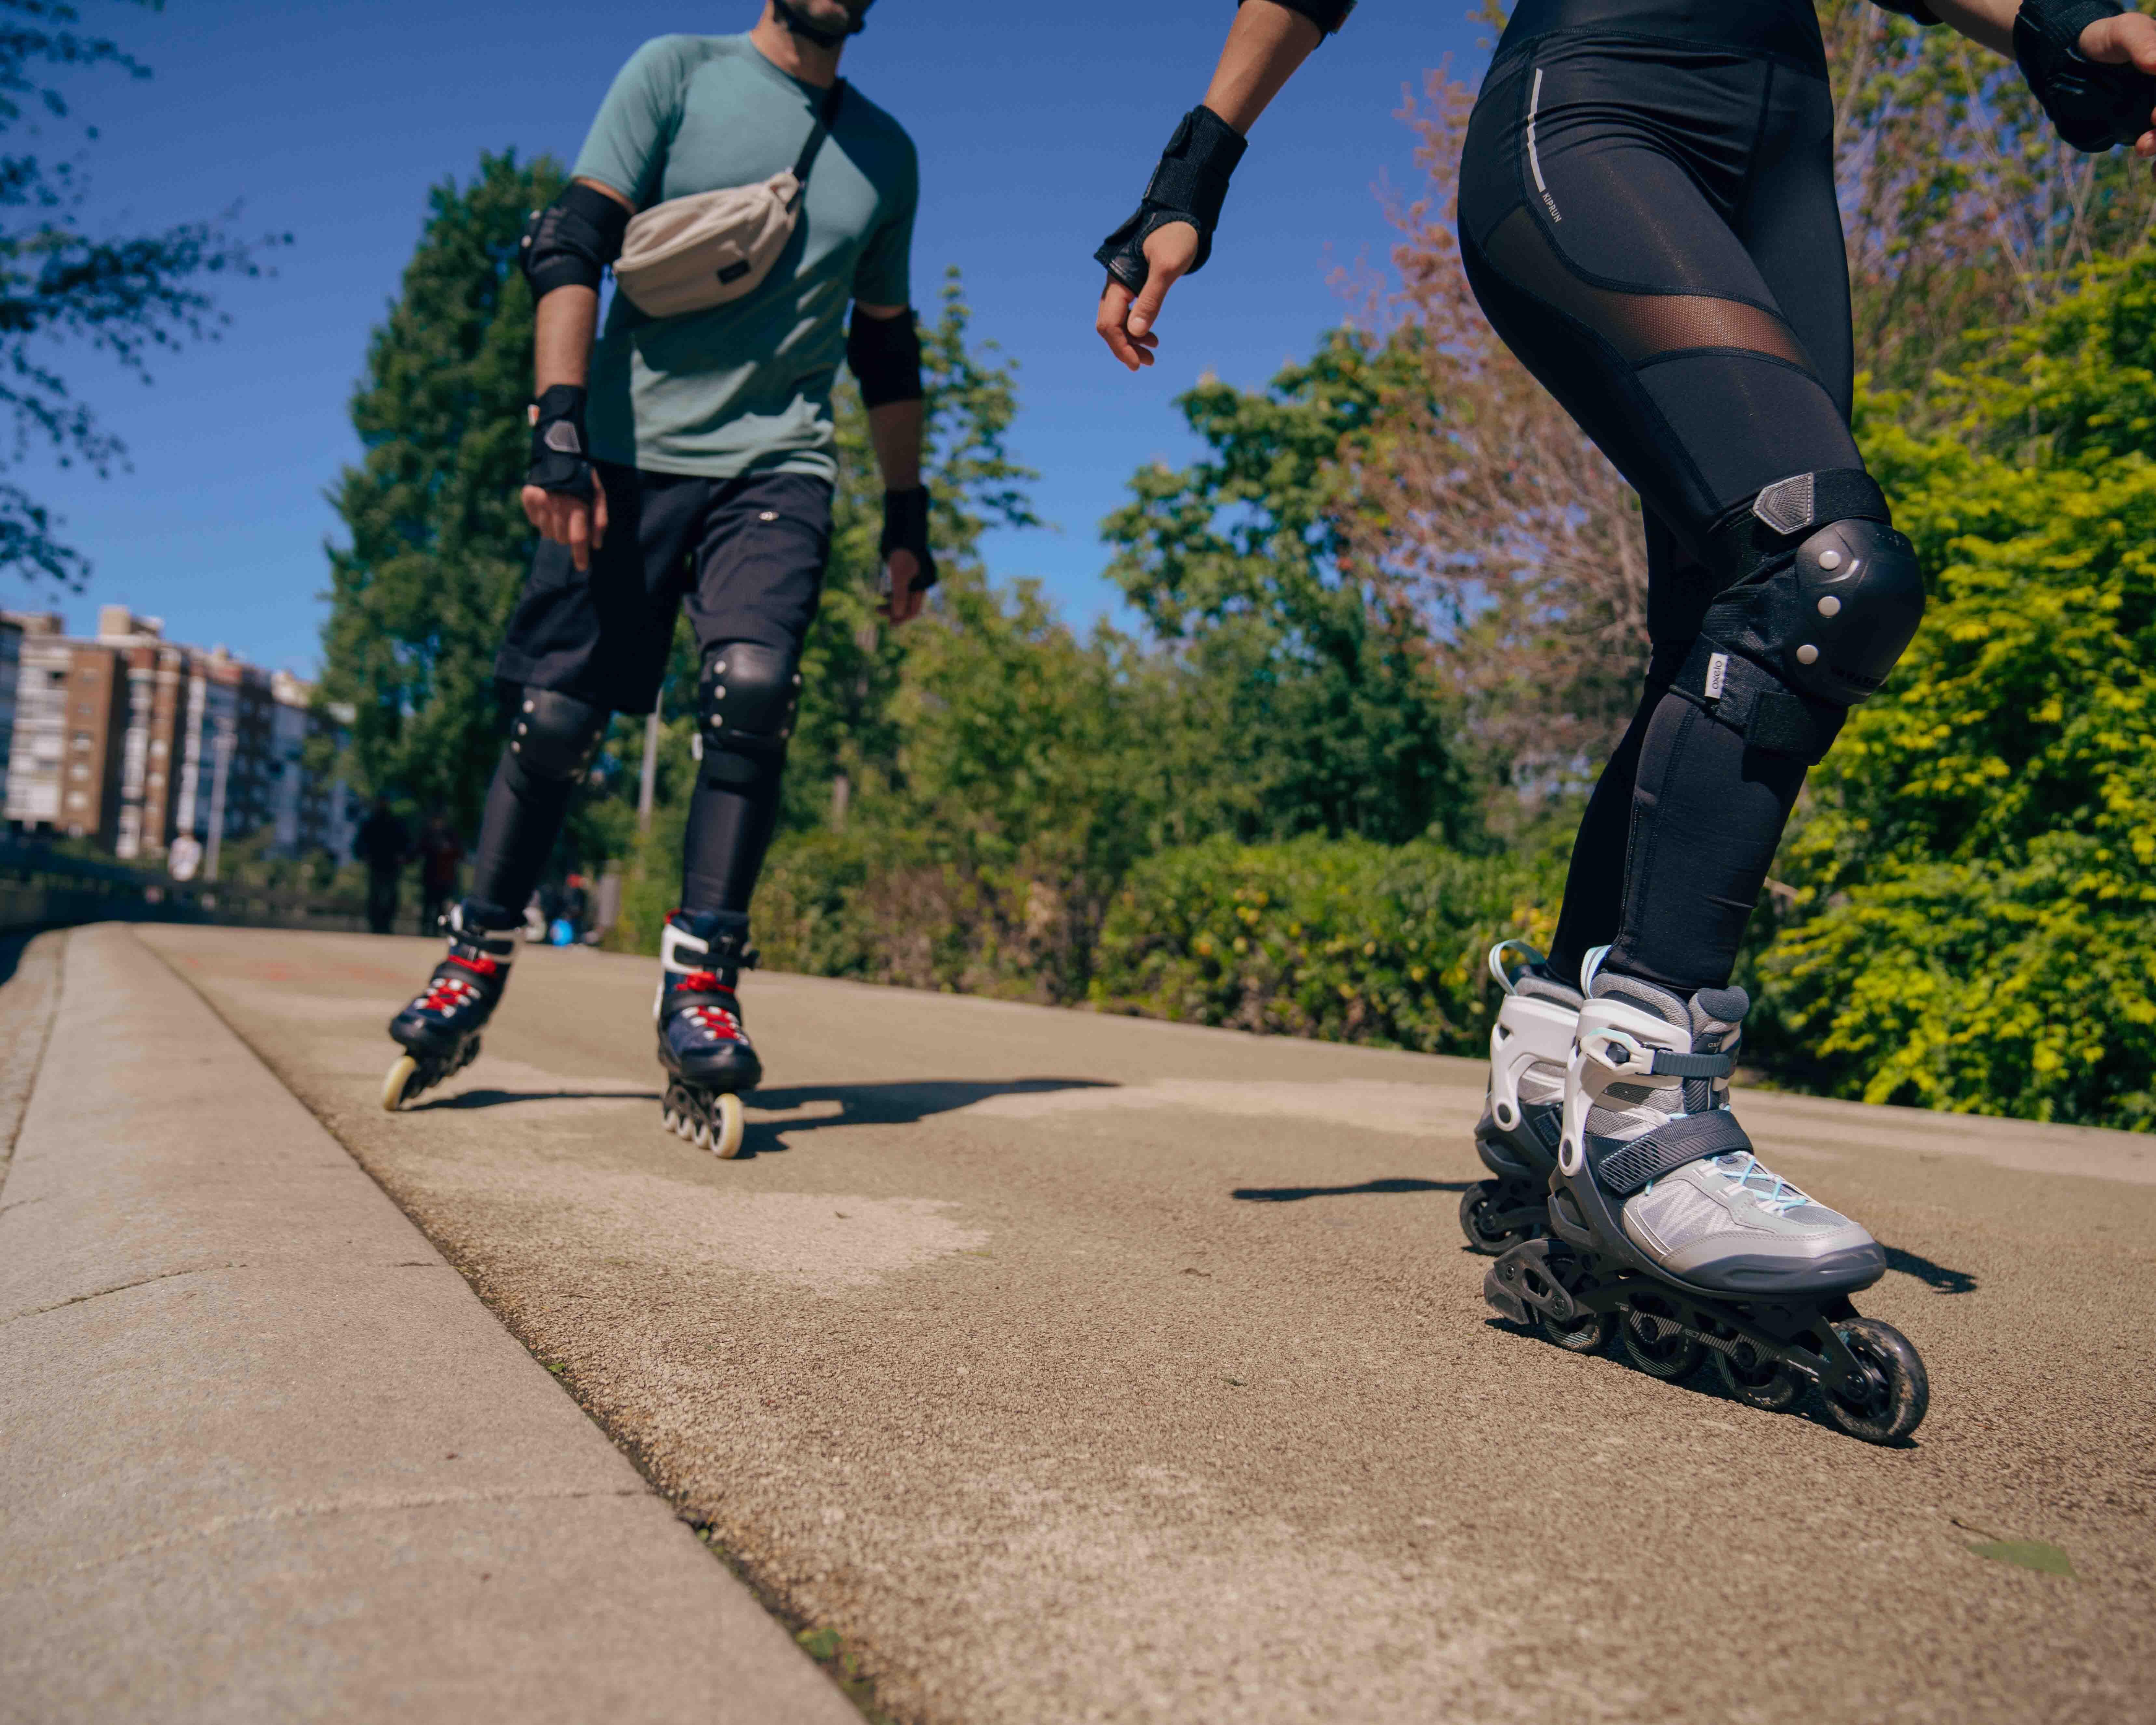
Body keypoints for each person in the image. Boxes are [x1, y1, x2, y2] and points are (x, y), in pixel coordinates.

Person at [1095, 0, 2156, 1441]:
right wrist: (1187, 175)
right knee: (1819, 570)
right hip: (1591, 112)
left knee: (1721, 626)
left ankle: (1551, 1055)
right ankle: (1638, 1108)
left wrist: (2053, 27)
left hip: (1781, 149)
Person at [383, 0, 931, 1154]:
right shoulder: (674, 73)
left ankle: (700, 984)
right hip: (623, 454)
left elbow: (883, 346)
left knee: (750, 692)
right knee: (553, 719)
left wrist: (907, 515)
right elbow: (569, 243)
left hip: (776, 465)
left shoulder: (885, 153)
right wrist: (559, 427)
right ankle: (474, 953)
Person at [353, 797, 410, 936]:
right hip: (376, 865)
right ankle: (375, 925)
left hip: (392, 866)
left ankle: (386, 925)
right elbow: (359, 844)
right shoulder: (370, 823)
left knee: (391, 896)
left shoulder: (396, 824)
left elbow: (407, 844)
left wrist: (403, 856)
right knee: (375, 895)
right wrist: (365, 855)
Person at [416, 812, 464, 933]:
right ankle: (426, 929)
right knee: (428, 904)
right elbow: (420, 850)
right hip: (431, 876)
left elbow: (460, 853)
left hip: (445, 876)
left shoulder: (451, 835)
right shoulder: (428, 835)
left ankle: (438, 930)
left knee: (441, 906)